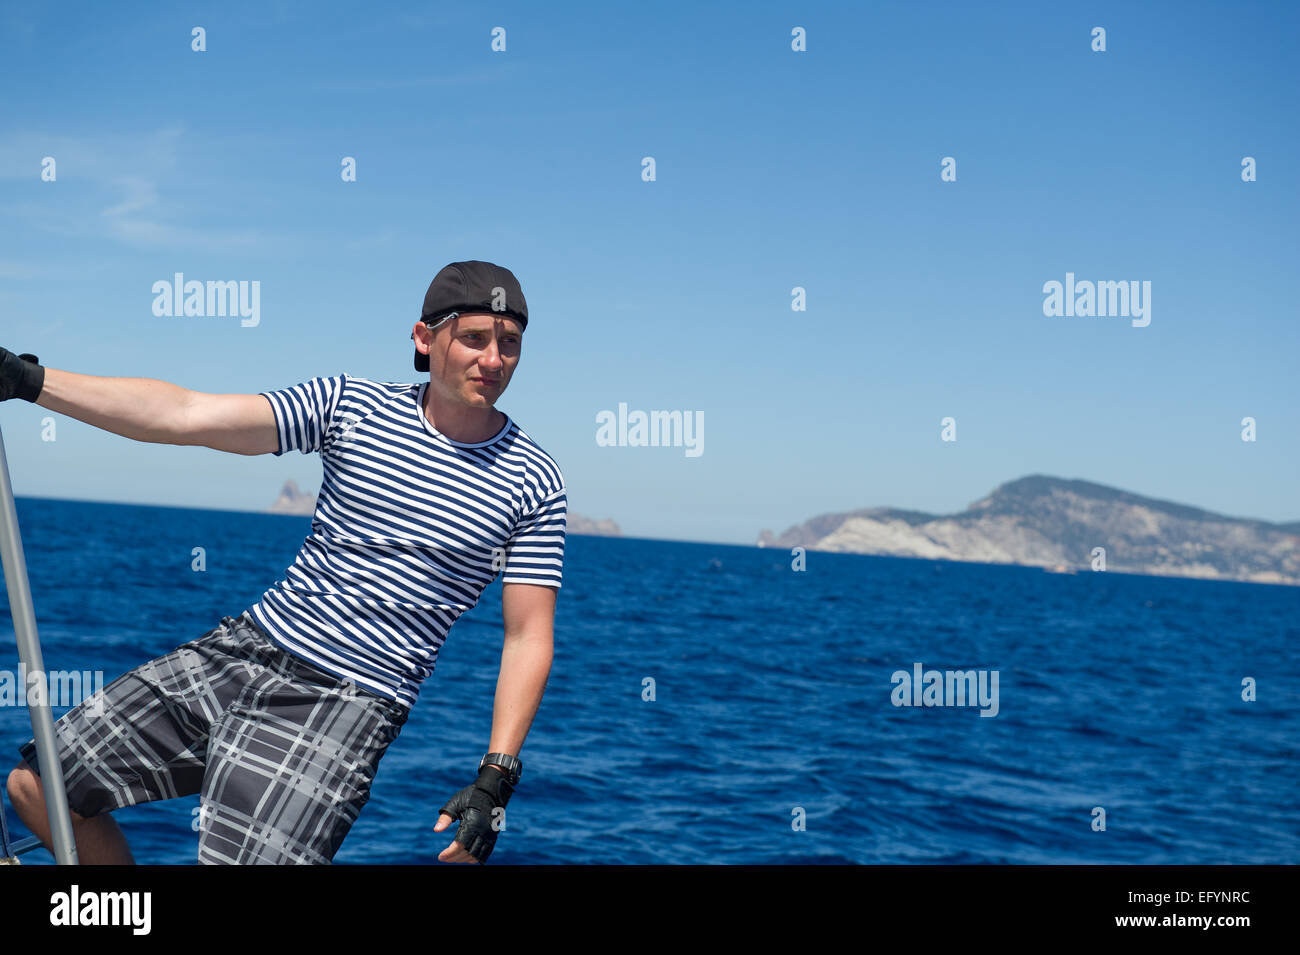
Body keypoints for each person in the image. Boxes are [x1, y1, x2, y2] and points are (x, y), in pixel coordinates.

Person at [1, 260, 565, 864]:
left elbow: (527, 635)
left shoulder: (533, 478)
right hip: (245, 649)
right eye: (475, 338)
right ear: (426, 339)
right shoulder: (350, 406)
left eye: (509, 344)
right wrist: (29, 380)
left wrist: (495, 777)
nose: (494, 359)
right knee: (39, 787)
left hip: (347, 702)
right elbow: (187, 415)